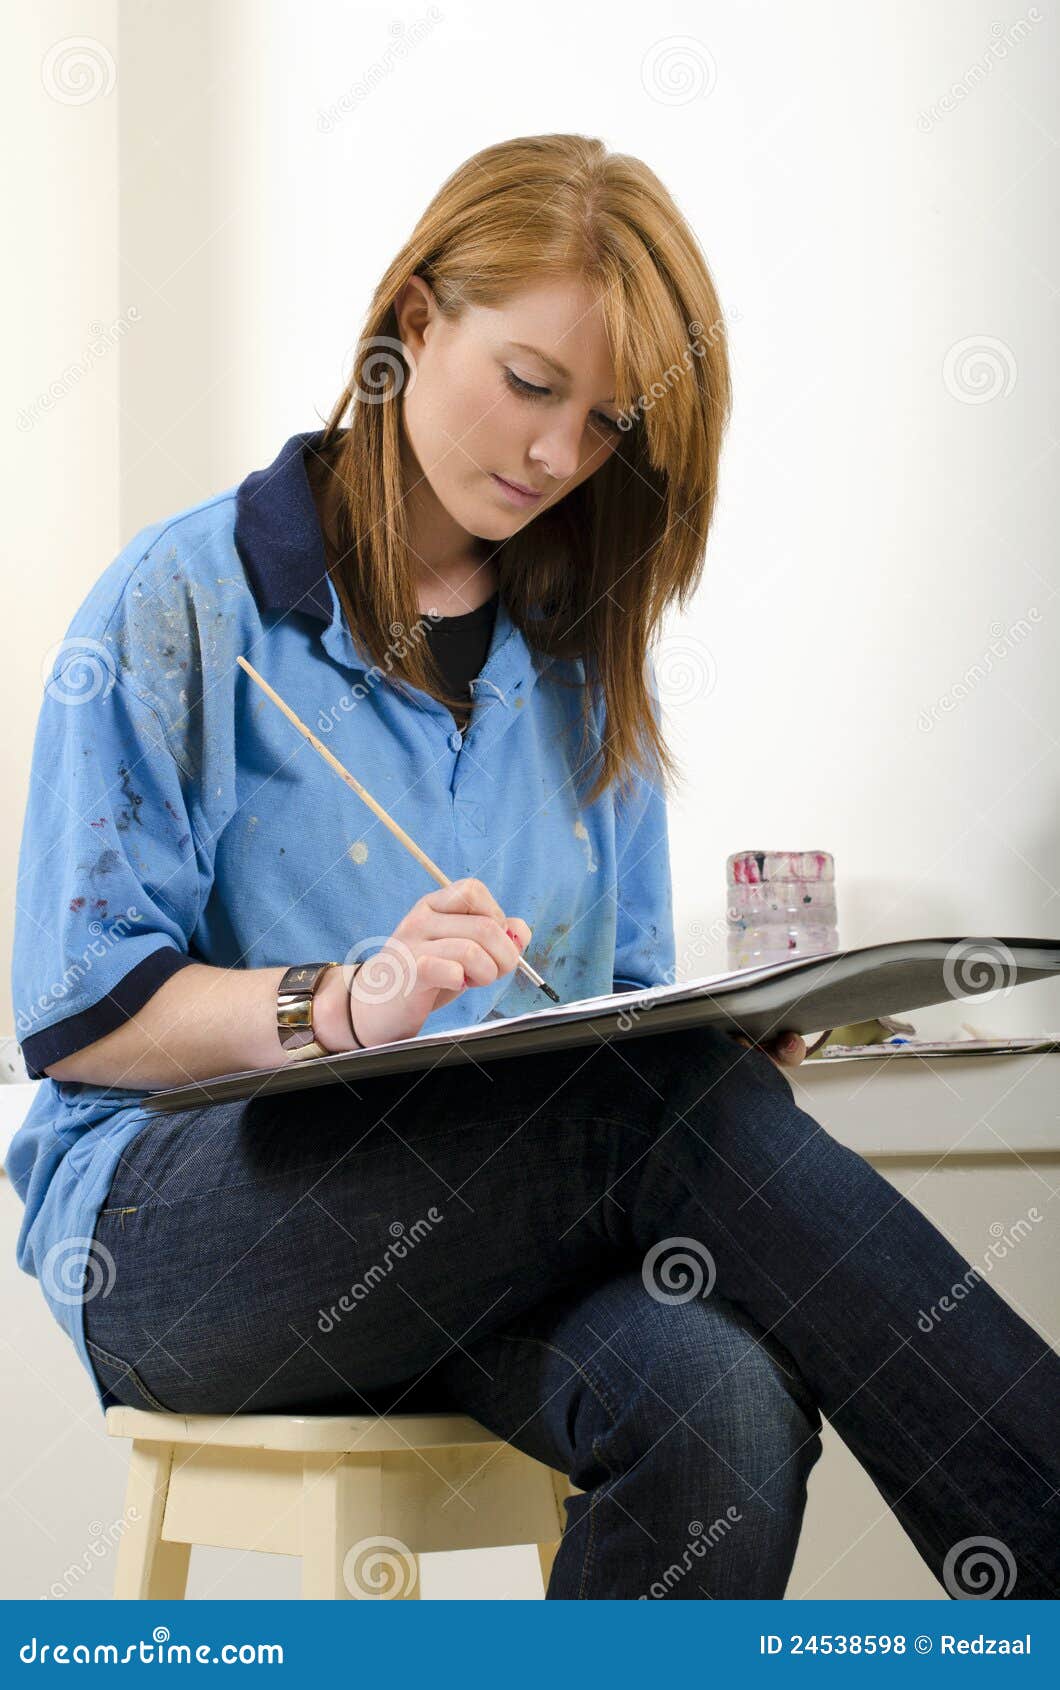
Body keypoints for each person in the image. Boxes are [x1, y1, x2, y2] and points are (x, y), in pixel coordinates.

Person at [10, 133, 1058, 1600]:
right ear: (417, 323)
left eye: (610, 423)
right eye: (530, 385)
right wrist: (350, 998)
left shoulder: (583, 673)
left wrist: (735, 1045)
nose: (561, 454)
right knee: (643, 1110)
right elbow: (86, 1024)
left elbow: (617, 1028)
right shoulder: (182, 603)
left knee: (723, 1403)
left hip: (490, 1243)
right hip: (175, 1240)